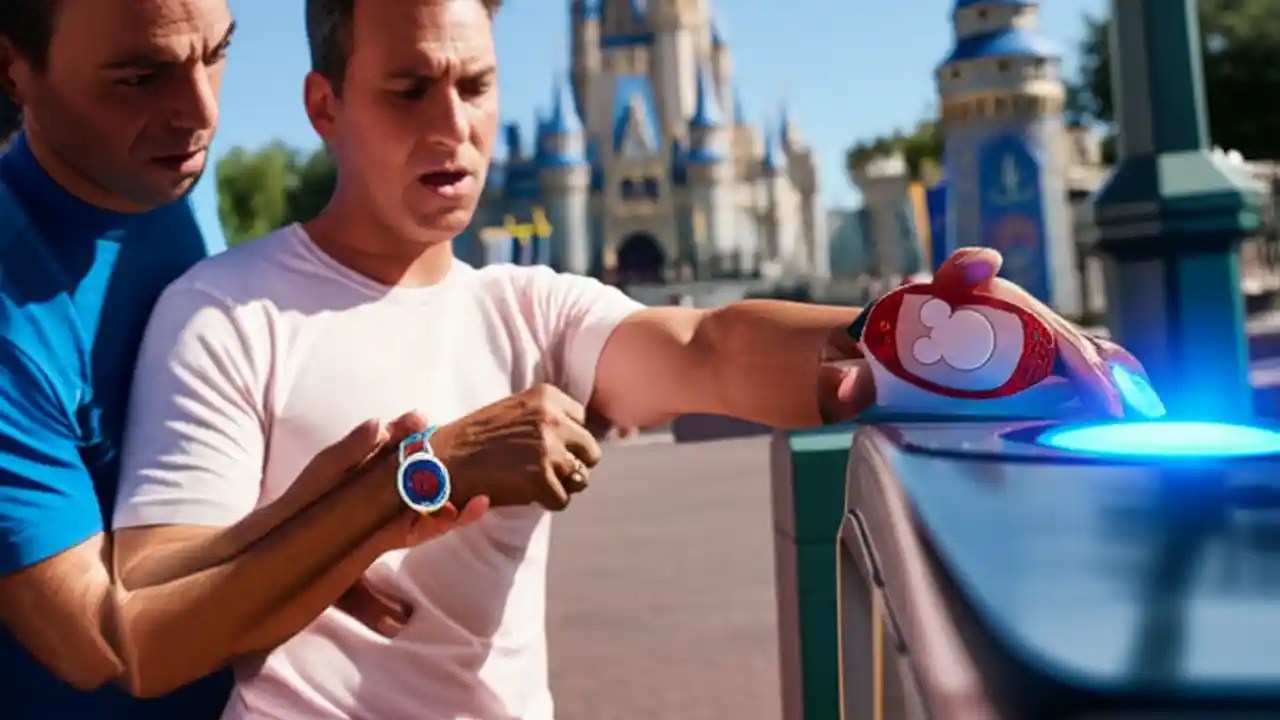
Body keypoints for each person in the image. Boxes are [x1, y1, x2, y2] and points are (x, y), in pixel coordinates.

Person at [108, 1, 1157, 718]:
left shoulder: (529, 306)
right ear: (324, 107)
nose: (454, 128)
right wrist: (411, 483)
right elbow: (148, 627)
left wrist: (928, 335)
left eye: (474, 87)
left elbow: (708, 348)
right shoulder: (225, 311)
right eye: (407, 91)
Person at [0, 0, 511, 717]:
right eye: (141, 77)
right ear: (12, 69)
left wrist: (300, 552)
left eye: (214, 53)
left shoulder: (147, 181)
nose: (200, 111)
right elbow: (102, 645)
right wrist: (344, 521)